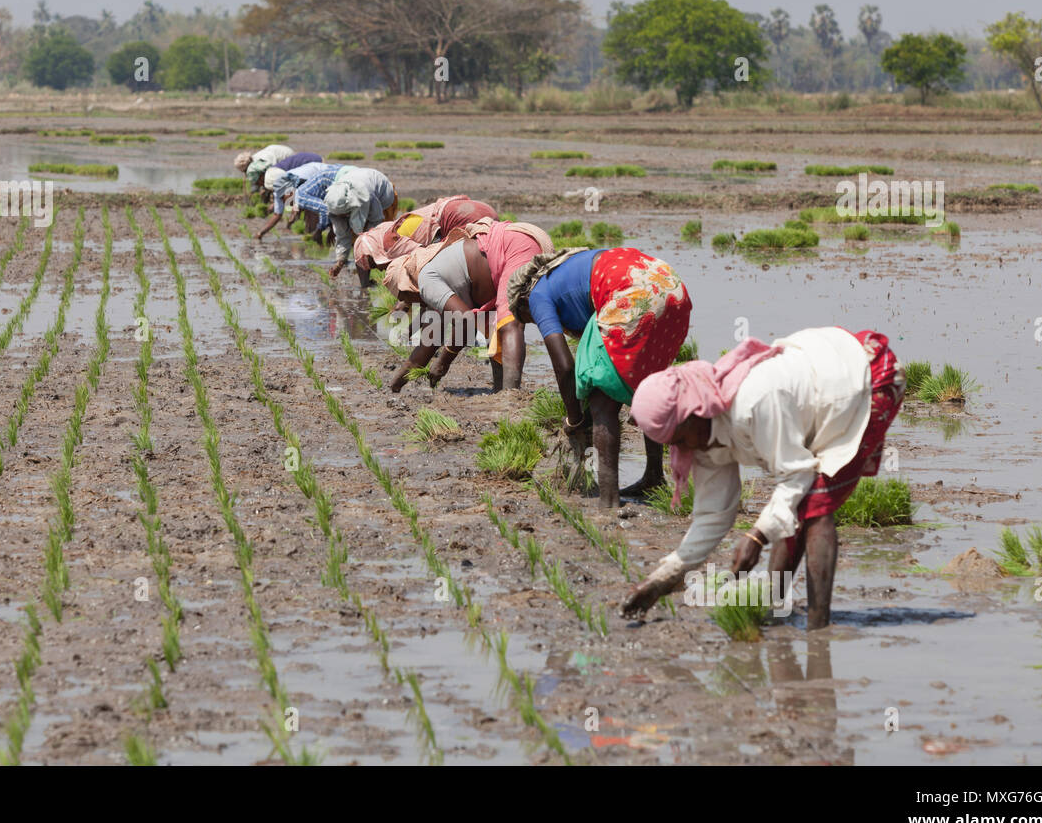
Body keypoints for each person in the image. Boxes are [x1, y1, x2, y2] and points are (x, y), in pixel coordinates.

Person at [619, 327, 905, 629]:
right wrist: (659, 582)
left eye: (679, 438)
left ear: (694, 412)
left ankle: (818, 628)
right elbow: (712, 516)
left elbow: (797, 472)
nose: (681, 450)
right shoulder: (702, 439)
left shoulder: (752, 403)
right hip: (818, 386)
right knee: (794, 506)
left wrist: (757, 536)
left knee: (816, 506)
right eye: (672, 444)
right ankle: (774, 610)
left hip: (864, 376)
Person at [506, 247, 692, 507]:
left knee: (600, 397)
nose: (537, 322)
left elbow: (564, 366)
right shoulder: (569, 269)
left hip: (633, 293)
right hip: (672, 290)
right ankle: (653, 476)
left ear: (523, 301)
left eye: (528, 319)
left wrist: (574, 418)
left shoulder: (536, 294)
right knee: (647, 386)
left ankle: (609, 502)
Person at [386, 220, 552, 393]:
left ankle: (510, 398)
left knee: (509, 324)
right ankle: (501, 391)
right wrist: (395, 386)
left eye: (403, 296)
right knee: (496, 330)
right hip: (521, 243)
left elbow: (467, 321)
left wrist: (443, 362)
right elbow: (428, 345)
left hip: (516, 248)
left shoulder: (427, 282)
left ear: (408, 287)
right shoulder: (438, 289)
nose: (407, 303)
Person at [352, 195, 499, 287]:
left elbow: (425, 262)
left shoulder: (391, 242)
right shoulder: (388, 229)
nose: (379, 269)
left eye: (374, 264)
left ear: (375, 252)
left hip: (462, 217)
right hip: (479, 209)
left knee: (464, 278)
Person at [323, 166, 398, 278]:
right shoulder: (335, 198)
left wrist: (366, 246)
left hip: (382, 196)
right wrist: (340, 261)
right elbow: (342, 234)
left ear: (349, 207)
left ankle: (389, 275)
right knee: (357, 239)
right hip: (361, 192)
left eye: (343, 215)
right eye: (340, 215)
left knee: (382, 239)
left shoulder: (365, 196)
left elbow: (377, 223)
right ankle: (365, 277)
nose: (342, 217)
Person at [256, 158, 326, 240]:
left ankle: (314, 237)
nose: (275, 193)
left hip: (322, 174)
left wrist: (295, 212)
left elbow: (310, 206)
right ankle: (311, 236)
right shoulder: (279, 190)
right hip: (313, 177)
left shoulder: (295, 180)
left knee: (311, 210)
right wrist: (260, 233)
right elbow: (277, 214)